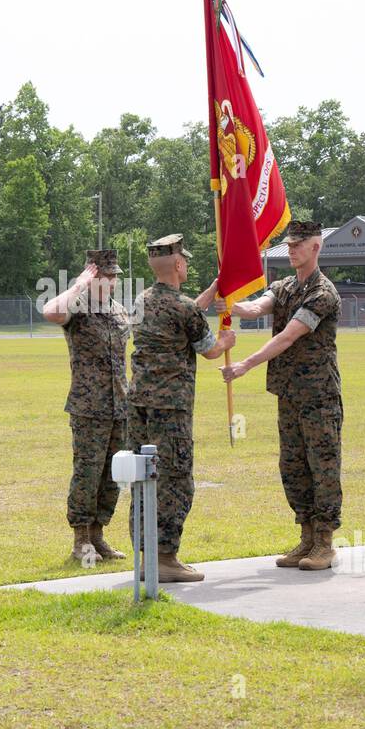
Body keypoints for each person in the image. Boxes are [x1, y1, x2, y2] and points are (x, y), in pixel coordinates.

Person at [220, 220, 343, 571]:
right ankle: (305, 536)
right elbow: (257, 308)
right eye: (288, 245)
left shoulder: (323, 293)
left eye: (297, 245)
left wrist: (246, 364)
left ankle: (324, 542)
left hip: (318, 395)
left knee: (323, 467)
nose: (290, 251)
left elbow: (288, 336)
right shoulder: (286, 286)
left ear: (315, 247)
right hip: (289, 394)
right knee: (292, 466)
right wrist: (230, 302)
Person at [128, 233, 233, 583]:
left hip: (140, 406)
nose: (186, 264)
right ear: (176, 264)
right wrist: (227, 340)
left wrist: (216, 288)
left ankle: (147, 555)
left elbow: (183, 312)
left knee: (143, 478)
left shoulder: (142, 301)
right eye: (184, 260)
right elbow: (209, 350)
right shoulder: (184, 308)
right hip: (170, 408)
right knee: (174, 480)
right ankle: (167, 558)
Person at [43, 250, 131, 564]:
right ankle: (80, 540)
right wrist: (78, 285)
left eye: (113, 276)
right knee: (87, 473)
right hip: (88, 406)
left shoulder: (120, 312)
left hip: (120, 407)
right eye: (103, 276)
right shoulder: (77, 309)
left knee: (113, 476)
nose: (110, 281)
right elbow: (50, 311)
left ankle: (98, 535)